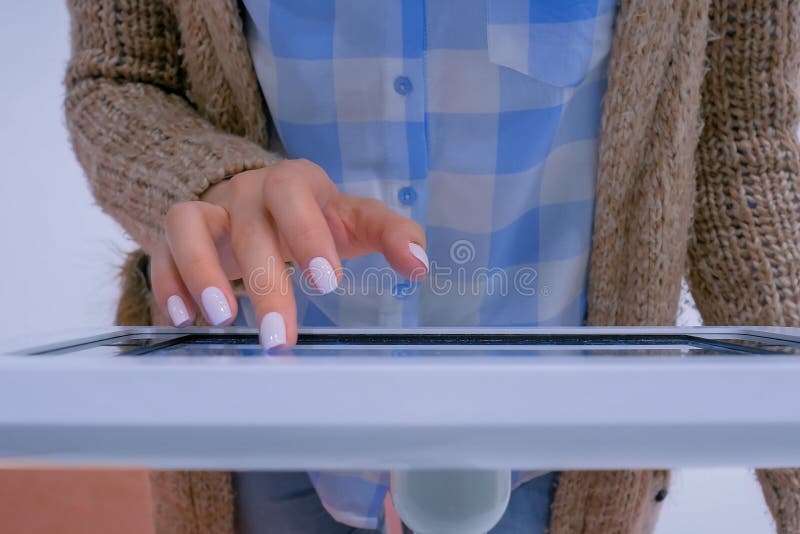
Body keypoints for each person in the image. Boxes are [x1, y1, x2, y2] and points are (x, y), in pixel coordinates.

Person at [64, 0, 800, 533]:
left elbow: (745, 149)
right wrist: (202, 182)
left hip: (562, 451)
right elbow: (125, 77)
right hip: (259, 428)